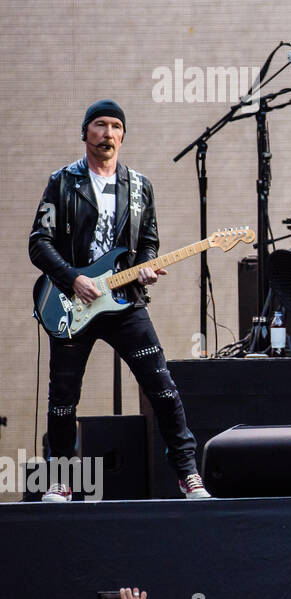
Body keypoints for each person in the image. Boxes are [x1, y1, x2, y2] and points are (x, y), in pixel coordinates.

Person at [29, 99, 208, 500]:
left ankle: (187, 472)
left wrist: (145, 267)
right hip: (72, 303)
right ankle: (60, 477)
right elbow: (38, 243)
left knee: (162, 387)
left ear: (123, 135)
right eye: (99, 125)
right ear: (85, 133)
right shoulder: (62, 182)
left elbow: (147, 243)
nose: (107, 133)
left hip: (124, 301)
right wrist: (73, 279)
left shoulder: (139, 186)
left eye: (115, 126)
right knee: (63, 398)